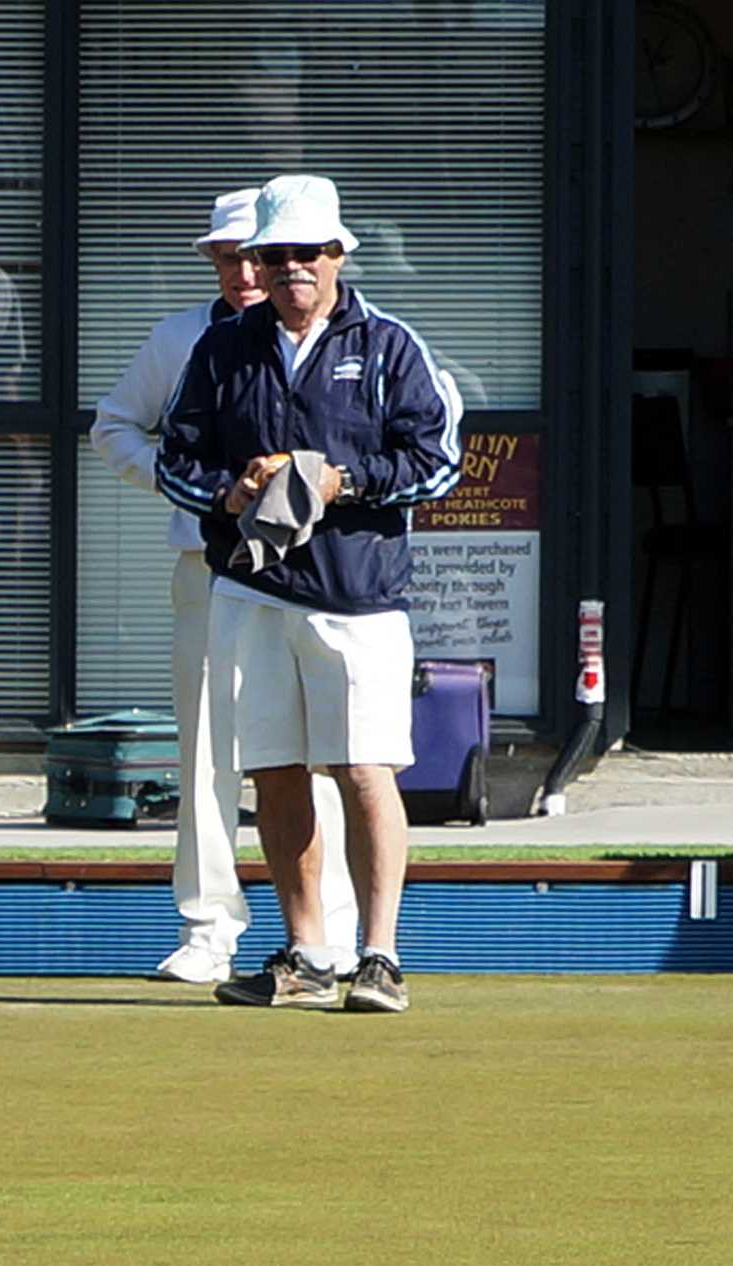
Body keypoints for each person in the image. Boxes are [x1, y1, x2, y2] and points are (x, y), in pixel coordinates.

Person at [156, 175, 463, 1013]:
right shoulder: (220, 349)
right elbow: (174, 457)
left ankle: (381, 955)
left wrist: (344, 481)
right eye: (277, 253)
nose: (293, 267)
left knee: (364, 770)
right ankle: (307, 954)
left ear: (338, 255)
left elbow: (437, 463)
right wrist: (229, 490)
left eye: (310, 252)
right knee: (275, 771)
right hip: (252, 591)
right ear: (257, 261)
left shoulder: (391, 345)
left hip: (357, 598)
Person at [92, 188, 360, 985]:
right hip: (209, 569)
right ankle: (209, 927)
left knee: (321, 749)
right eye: (228, 258)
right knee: (208, 749)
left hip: (320, 577)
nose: (245, 273)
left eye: (257, 257)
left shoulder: (345, 337)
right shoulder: (181, 338)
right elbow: (115, 426)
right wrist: (201, 494)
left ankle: (331, 932)